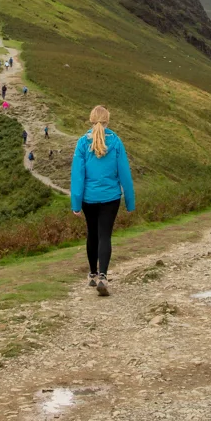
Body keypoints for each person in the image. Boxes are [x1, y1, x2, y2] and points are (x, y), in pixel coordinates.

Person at [71, 105, 135, 297]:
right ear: (108, 120)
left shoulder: (82, 143)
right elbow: (124, 173)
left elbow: (77, 176)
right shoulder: (115, 142)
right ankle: (103, 277)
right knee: (105, 235)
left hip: (89, 198)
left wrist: (76, 203)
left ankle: (91, 274)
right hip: (110, 197)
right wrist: (130, 202)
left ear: (91, 120)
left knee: (92, 234)